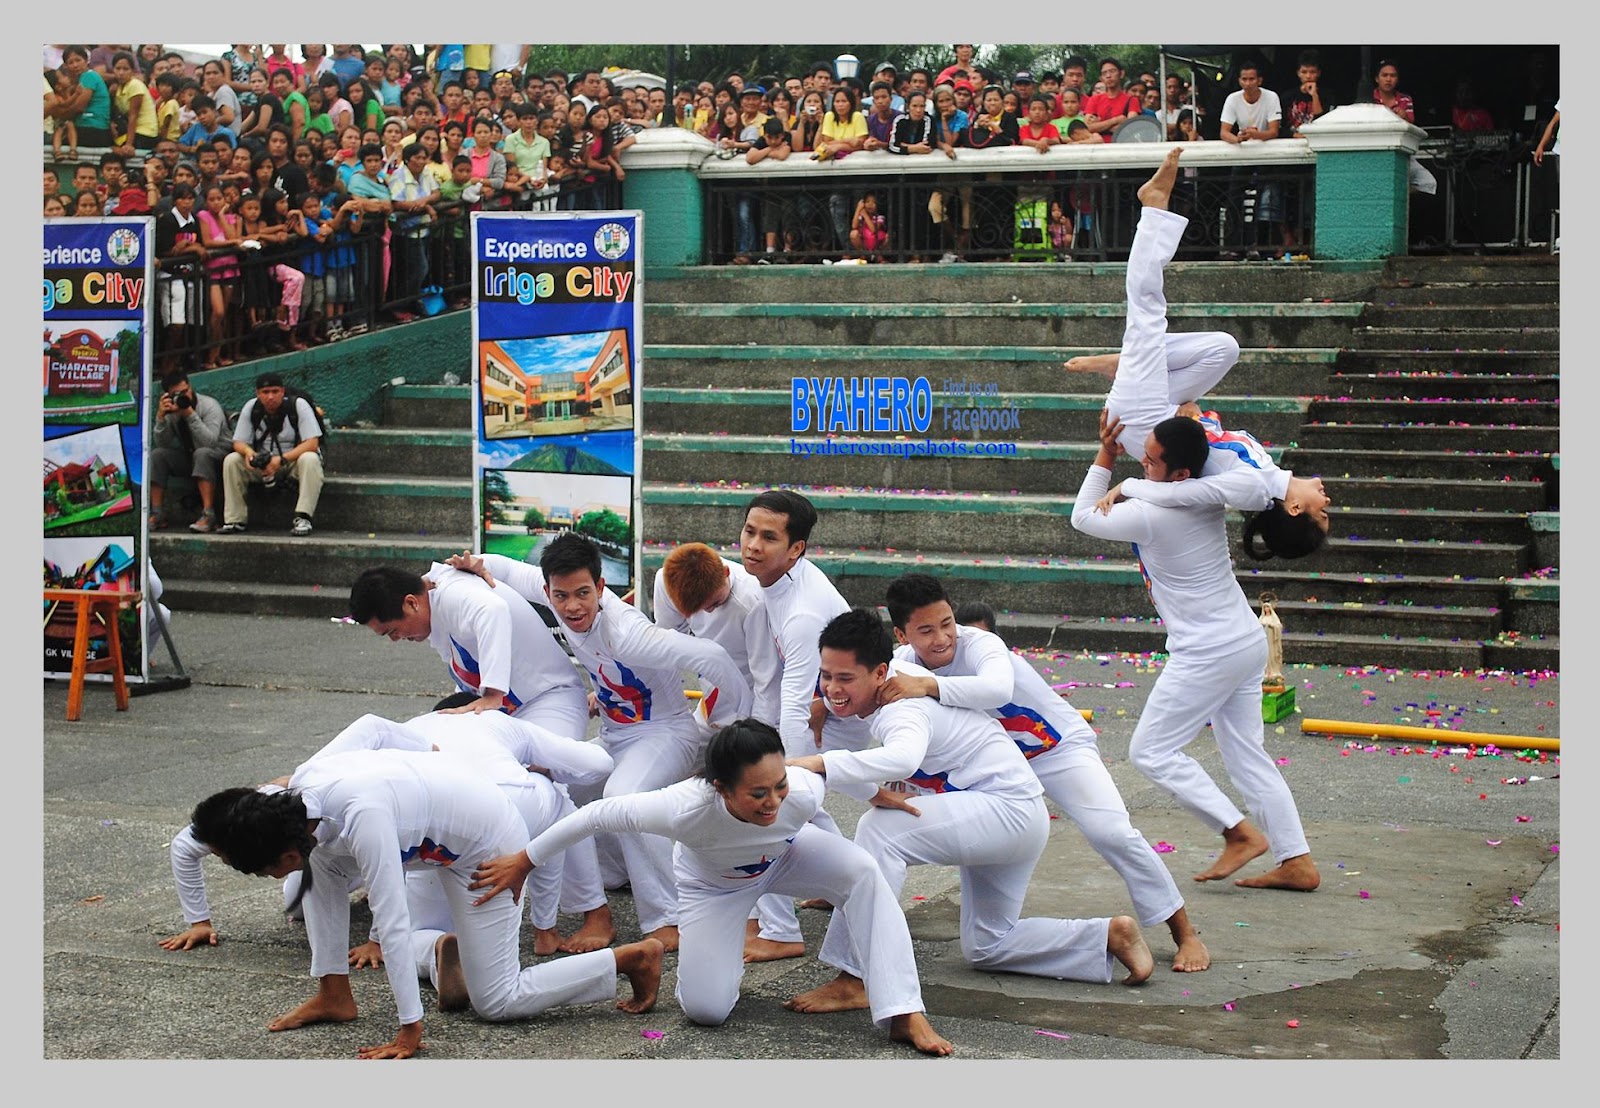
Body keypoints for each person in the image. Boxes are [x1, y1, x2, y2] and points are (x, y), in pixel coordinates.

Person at [1068, 149, 1322, 894]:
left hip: (1215, 643)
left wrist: (1126, 481)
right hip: (1241, 641)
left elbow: (1103, 513)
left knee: (1154, 752)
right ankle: (1297, 858)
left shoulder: (1184, 480)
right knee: (1215, 344)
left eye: (1147, 464)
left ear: (1170, 458)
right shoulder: (1202, 478)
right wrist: (1141, 483)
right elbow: (1229, 487)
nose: (1139, 468)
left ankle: (1240, 832)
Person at [471, 719, 954, 1055]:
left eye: (779, 785)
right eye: (758, 793)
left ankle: (903, 1011)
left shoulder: (798, 792)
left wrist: (874, 792)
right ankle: (668, 962)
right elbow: (596, 814)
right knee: (706, 1011)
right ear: (721, 787)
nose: (773, 801)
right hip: (714, 887)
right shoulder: (683, 806)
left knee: (863, 871)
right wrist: (524, 861)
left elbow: (825, 768)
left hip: (788, 856)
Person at [784, 609, 1154, 1013]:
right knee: (988, 945)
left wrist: (816, 764)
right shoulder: (888, 697)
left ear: (879, 673)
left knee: (880, 830)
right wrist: (871, 790)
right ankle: (1106, 937)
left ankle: (856, 978)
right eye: (826, 676)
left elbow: (903, 758)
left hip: (1006, 812)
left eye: (844, 678)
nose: (832, 689)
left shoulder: (902, 707)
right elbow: (878, 762)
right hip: (1009, 818)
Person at [191, 748, 664, 1059]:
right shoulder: (286, 804)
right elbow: (231, 819)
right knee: (326, 875)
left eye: (269, 870)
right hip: (431, 841)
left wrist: (409, 1029)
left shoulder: (362, 816)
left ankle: (631, 959)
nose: (272, 879)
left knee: (497, 1001)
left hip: (489, 849)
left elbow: (391, 925)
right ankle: (335, 995)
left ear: (288, 853)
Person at [442, 534, 755, 954]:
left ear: (602, 587)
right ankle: (612, 880)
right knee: (559, 789)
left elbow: (713, 658)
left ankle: (672, 918)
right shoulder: (555, 591)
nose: (573, 607)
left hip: (665, 733)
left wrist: (731, 720)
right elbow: (507, 569)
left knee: (622, 796)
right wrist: (469, 563)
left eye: (584, 594)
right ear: (549, 590)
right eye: (562, 596)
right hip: (615, 735)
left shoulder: (627, 633)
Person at [884, 573, 1210, 972]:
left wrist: (927, 685)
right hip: (993, 772)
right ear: (902, 635)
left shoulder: (983, 644)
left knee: (1112, 832)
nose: (942, 638)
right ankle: (854, 893)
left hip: (1057, 749)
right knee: (901, 824)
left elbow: (996, 691)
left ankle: (1185, 933)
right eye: (926, 630)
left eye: (947, 623)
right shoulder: (900, 666)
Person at [347, 560, 617, 954]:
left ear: (411, 603)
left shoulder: (454, 594)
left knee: (552, 793)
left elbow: (493, 611)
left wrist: (491, 694)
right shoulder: (436, 592)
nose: (394, 639)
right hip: (503, 710)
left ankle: (595, 913)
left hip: (547, 700)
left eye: (391, 631)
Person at [219, 372, 325, 536]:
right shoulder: (251, 407)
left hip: (291, 462)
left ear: (282, 392)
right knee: (232, 460)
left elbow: (312, 443)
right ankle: (234, 520)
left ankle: (303, 517)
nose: (270, 397)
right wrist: (249, 454)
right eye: (265, 392)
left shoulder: (298, 405)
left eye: (275, 391)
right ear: (258, 394)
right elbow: (238, 442)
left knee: (310, 459)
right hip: (263, 464)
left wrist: (280, 460)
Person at [149, 369, 230, 534]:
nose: (183, 396)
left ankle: (208, 515)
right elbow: (162, 442)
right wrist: (161, 418)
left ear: (190, 387)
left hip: (221, 456)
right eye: (177, 394)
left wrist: (190, 414)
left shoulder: (209, 406)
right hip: (191, 456)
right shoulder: (172, 410)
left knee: (202, 453)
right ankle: (157, 513)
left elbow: (209, 442)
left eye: (185, 391)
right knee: (157, 455)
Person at [1372, 60, 1436, 197]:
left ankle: (1396, 197)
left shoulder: (1405, 100)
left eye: (1393, 75)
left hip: (1403, 152)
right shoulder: (1369, 99)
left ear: (1397, 79)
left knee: (1428, 183)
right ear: (1377, 78)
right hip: (1377, 154)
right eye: (1384, 75)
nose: (1389, 79)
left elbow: (1411, 127)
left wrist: (1404, 117)